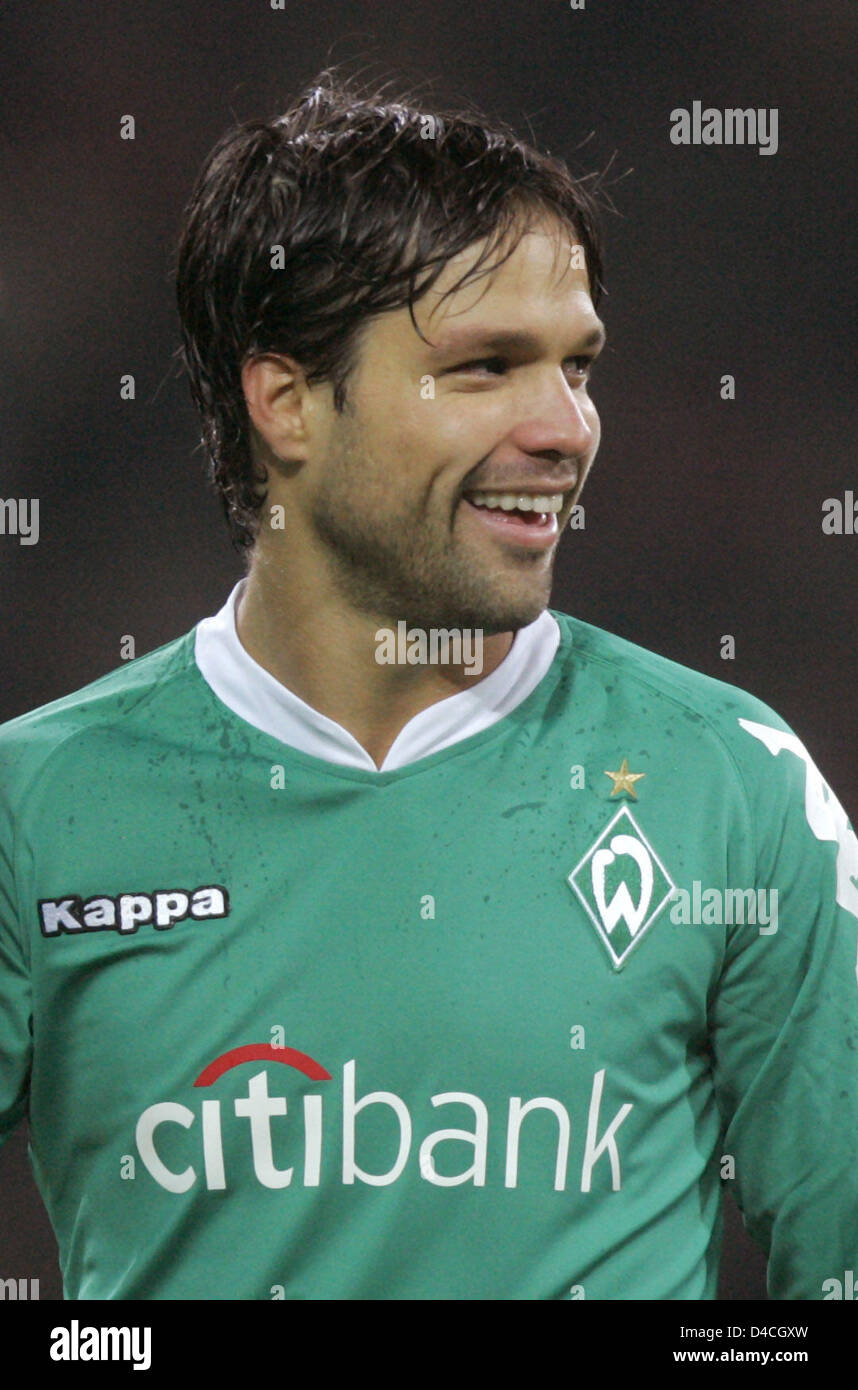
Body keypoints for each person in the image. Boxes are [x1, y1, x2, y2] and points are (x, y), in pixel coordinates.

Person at [1, 73, 856, 1302]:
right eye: (486, 367)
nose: (566, 427)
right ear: (287, 401)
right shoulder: (40, 809)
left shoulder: (733, 786)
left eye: (578, 365)